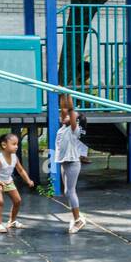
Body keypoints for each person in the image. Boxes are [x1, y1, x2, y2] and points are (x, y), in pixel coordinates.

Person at [0, 132, 35, 233]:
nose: (16, 146)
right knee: (0, 200)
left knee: (17, 200)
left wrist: (28, 180)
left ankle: (12, 221)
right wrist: (0, 183)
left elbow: (21, 170)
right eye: (13, 144)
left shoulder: (14, 157)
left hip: (7, 180)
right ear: (4, 145)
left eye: (17, 144)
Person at [55, 95, 88, 233]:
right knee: (66, 192)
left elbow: (70, 110)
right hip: (65, 163)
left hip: (73, 163)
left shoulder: (74, 130)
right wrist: (63, 94)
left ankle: (78, 220)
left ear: (76, 121)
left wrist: (68, 97)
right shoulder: (63, 127)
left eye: (70, 116)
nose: (65, 116)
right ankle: (77, 217)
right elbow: (64, 109)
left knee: (70, 191)